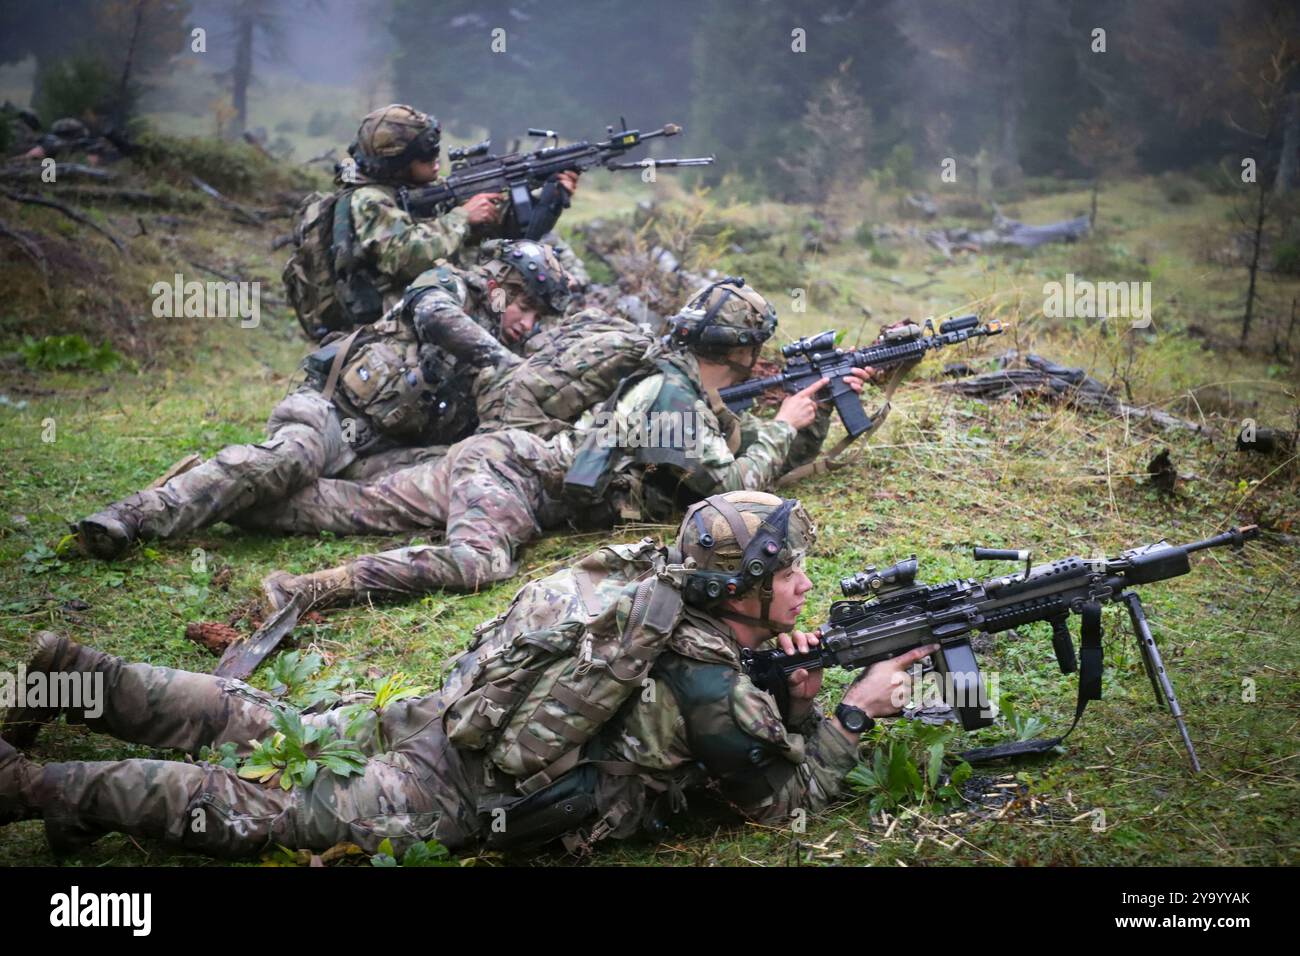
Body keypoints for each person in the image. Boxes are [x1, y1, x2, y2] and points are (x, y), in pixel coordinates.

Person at [0, 491, 938, 858]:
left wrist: (792, 687)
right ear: (738, 585)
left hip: (449, 715)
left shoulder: (651, 589)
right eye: (786, 572)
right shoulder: (705, 680)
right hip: (456, 784)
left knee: (262, 722)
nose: (804, 583)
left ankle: (71, 675)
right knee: (270, 810)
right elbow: (780, 803)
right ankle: (34, 784)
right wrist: (853, 714)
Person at [247, 278, 883, 608]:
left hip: (506, 462)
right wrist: (784, 422)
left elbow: (769, 462)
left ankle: (240, 499)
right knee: (480, 565)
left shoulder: (681, 385)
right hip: (515, 478)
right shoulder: (673, 401)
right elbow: (731, 491)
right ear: (741, 350)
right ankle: (313, 587)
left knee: (351, 508)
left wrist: (816, 411)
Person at [75, 240, 574, 560]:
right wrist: (502, 360)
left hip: (376, 461)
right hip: (329, 415)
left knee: (440, 477)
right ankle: (136, 514)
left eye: (537, 317)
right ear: (496, 284)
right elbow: (434, 315)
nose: (526, 324)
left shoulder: (507, 359)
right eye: (525, 306)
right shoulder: (448, 286)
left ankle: (216, 492)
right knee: (289, 459)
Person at [285, 103, 580, 337]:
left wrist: (550, 200)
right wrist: (463, 217)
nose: (435, 161)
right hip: (382, 323)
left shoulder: (416, 192)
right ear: (398, 164)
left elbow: (511, 231)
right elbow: (403, 255)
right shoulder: (368, 200)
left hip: (423, 310)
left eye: (435, 151)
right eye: (425, 157)